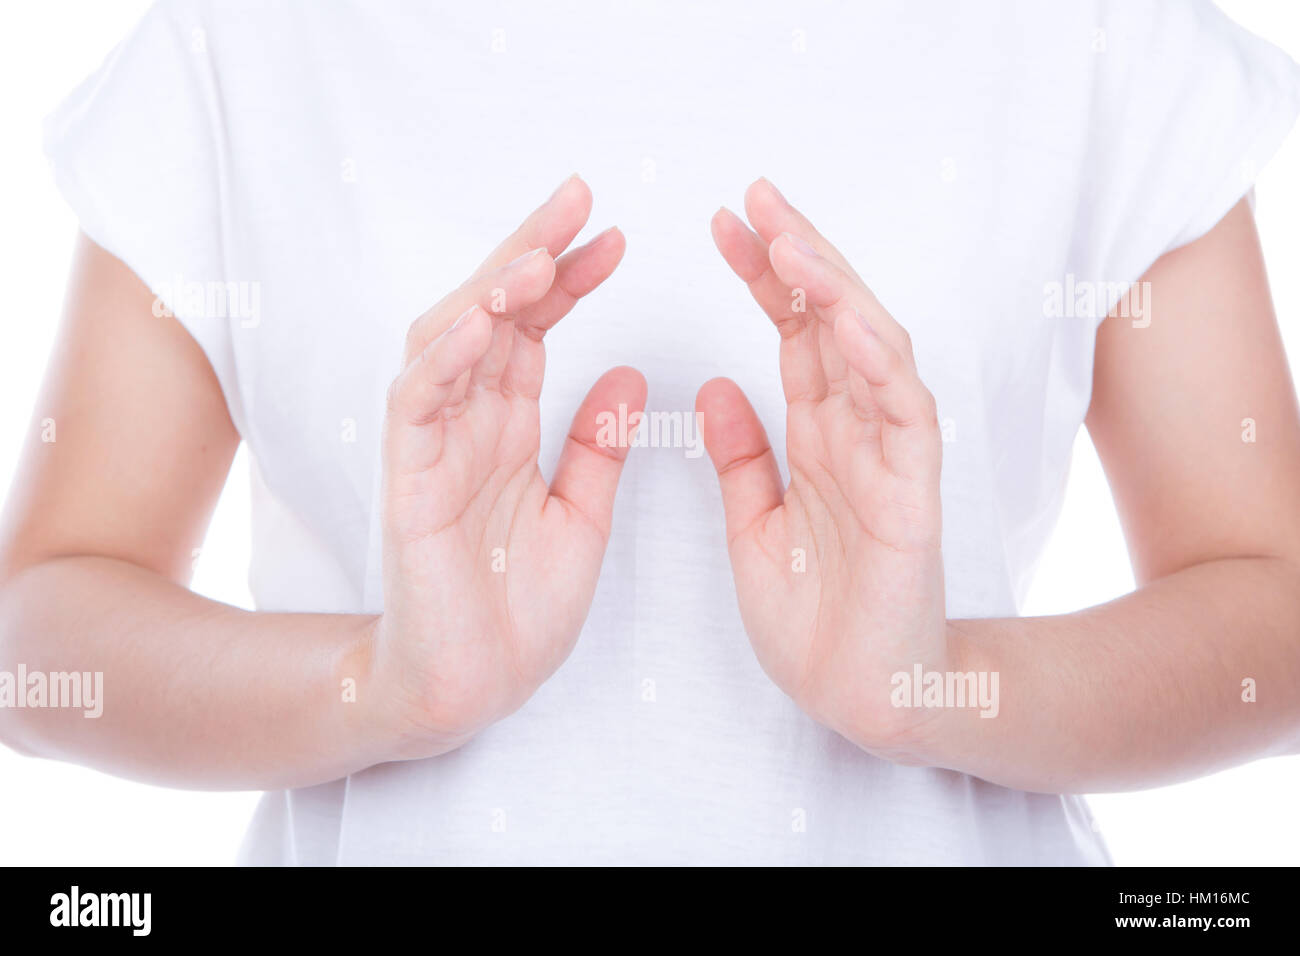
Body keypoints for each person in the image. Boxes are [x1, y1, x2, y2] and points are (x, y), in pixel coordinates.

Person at [2, 0, 1299, 865]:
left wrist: (933, 687)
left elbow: (1274, 613)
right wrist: (380, 688)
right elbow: (37, 633)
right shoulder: (247, 37)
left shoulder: (1093, 30)